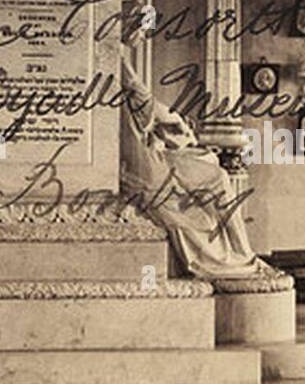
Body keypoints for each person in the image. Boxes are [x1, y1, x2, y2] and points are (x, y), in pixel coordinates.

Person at [119, 37, 284, 282]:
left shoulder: (118, 53)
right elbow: (143, 100)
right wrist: (174, 122)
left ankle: (243, 253)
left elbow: (145, 103)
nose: (141, 37)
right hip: (141, 163)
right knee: (213, 182)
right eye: (140, 30)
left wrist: (174, 125)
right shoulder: (113, 55)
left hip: (151, 152)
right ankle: (238, 257)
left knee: (215, 175)